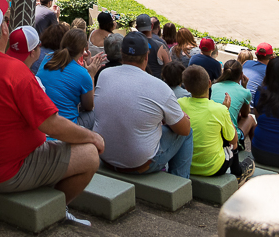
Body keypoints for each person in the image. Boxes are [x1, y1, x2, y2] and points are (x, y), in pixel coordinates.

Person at [0, 4, 104, 226]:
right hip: (3, 172)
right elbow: (52, 124)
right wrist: (92, 137)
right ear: (3, 30)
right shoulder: (14, 70)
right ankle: (57, 209)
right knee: (89, 155)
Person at [95, 31, 192, 178]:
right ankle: (180, 181)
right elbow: (184, 130)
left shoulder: (104, 74)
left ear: (122, 53)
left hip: (104, 155)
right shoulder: (159, 87)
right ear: (147, 56)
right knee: (187, 130)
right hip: (140, 164)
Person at [178, 65, 250, 184]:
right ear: (210, 83)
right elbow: (233, 139)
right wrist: (226, 111)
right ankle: (238, 173)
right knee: (231, 140)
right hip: (213, 168)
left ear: (186, 88)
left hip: (186, 165)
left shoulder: (180, 103)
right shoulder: (219, 110)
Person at [36, 28, 103, 128]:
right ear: (82, 50)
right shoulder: (83, 74)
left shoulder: (48, 58)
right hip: (66, 128)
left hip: (43, 121)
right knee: (94, 113)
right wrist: (91, 75)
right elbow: (89, 106)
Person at [211, 59, 257, 140]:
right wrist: (244, 87)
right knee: (250, 118)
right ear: (241, 75)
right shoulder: (245, 92)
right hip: (230, 135)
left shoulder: (213, 86)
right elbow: (245, 115)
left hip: (212, 129)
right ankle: (246, 147)